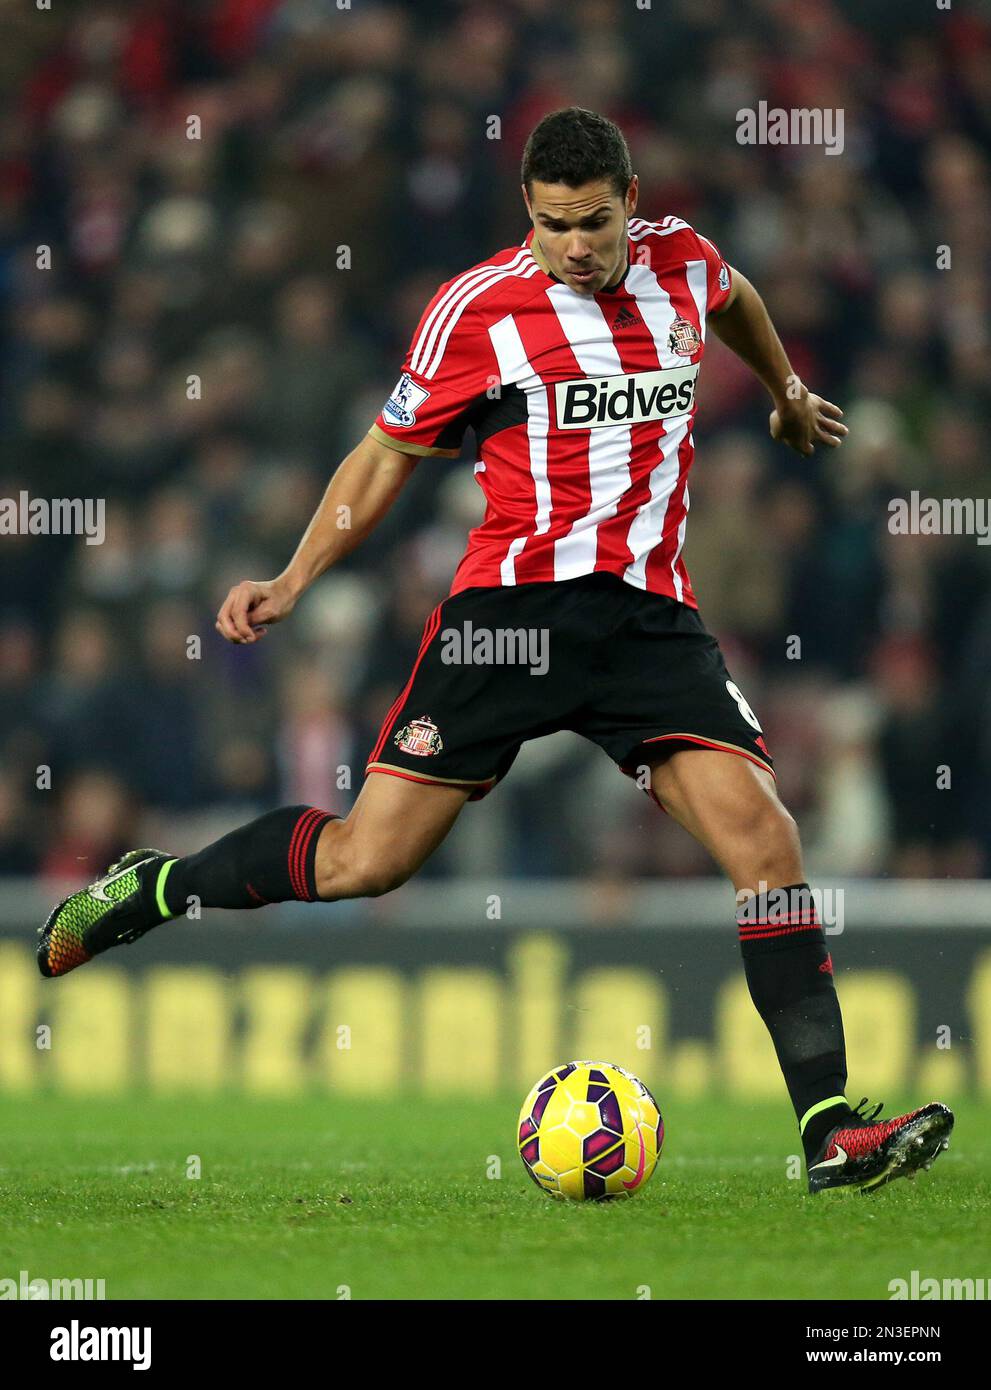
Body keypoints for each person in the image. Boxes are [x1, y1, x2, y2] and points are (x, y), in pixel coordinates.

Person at [39, 107, 952, 1195]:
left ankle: (826, 1128)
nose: (576, 245)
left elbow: (740, 300)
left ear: (631, 199)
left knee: (767, 838)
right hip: (508, 619)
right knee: (363, 862)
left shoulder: (684, 263)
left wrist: (787, 390)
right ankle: (158, 889)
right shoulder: (476, 309)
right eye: (555, 224)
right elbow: (385, 455)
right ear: (529, 210)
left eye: (596, 222)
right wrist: (293, 578)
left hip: (648, 622)